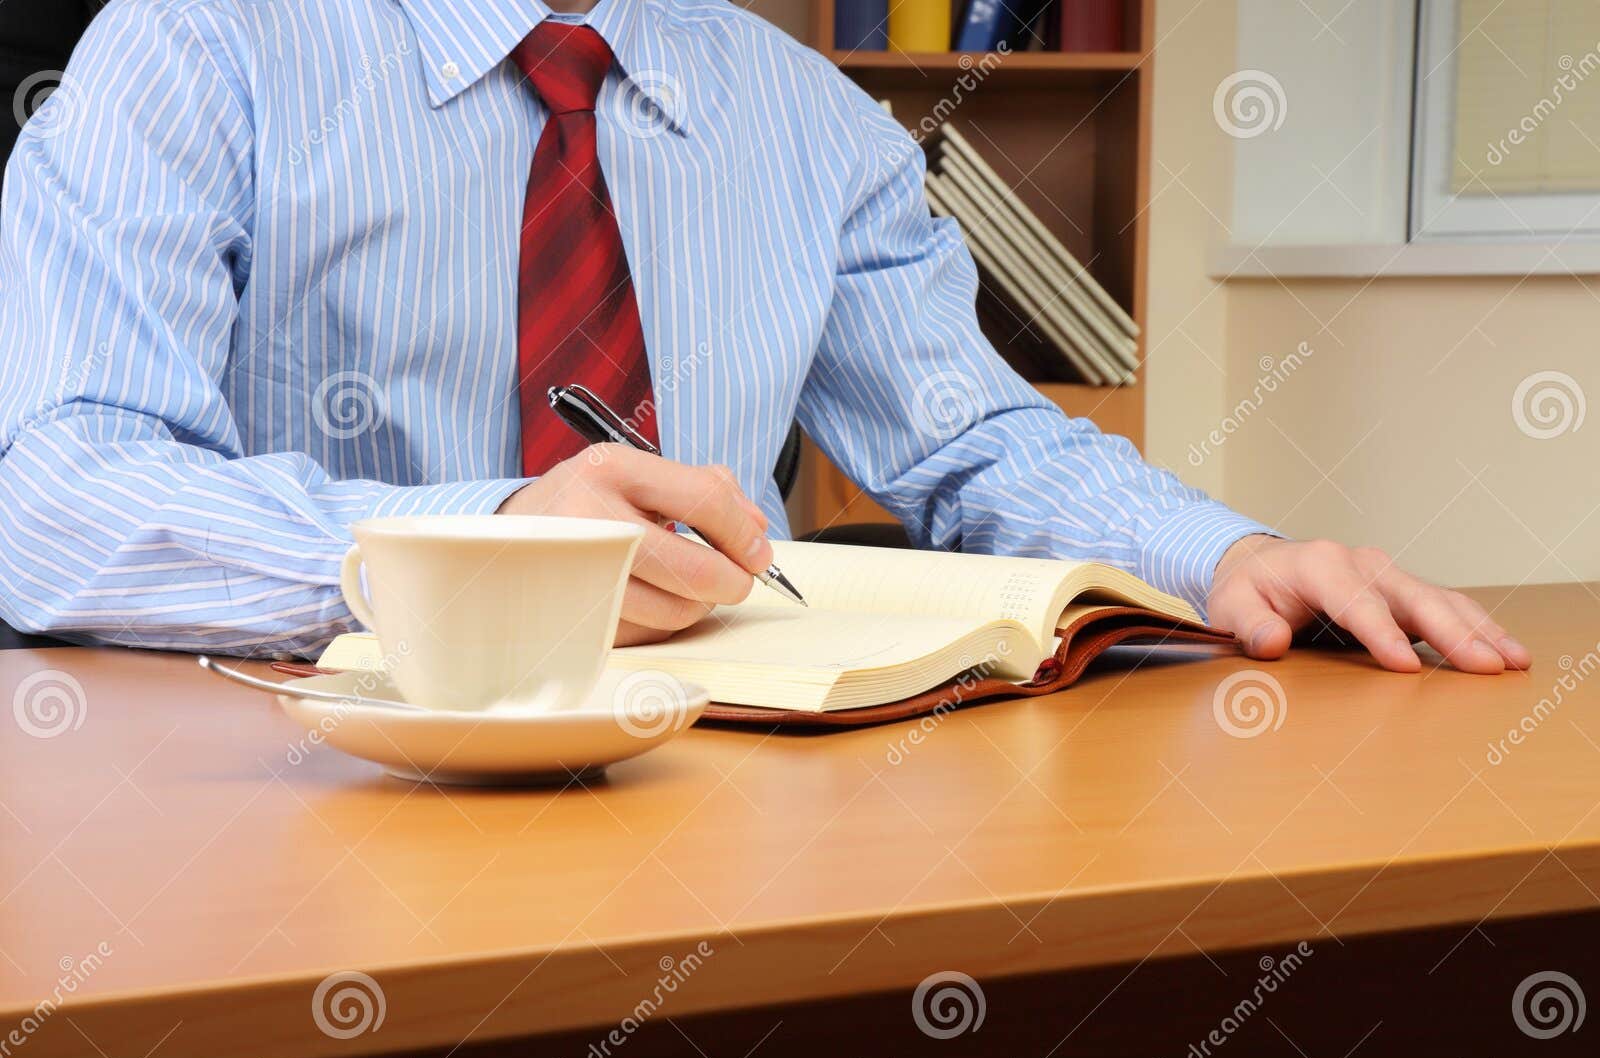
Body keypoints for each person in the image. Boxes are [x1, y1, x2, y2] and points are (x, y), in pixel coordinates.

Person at [0, 0, 1528, 674]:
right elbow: (56, 500)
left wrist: (1222, 557)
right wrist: (492, 543)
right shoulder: (195, 47)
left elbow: (971, 436)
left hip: (724, 795)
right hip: (307, 805)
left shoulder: (806, 111)